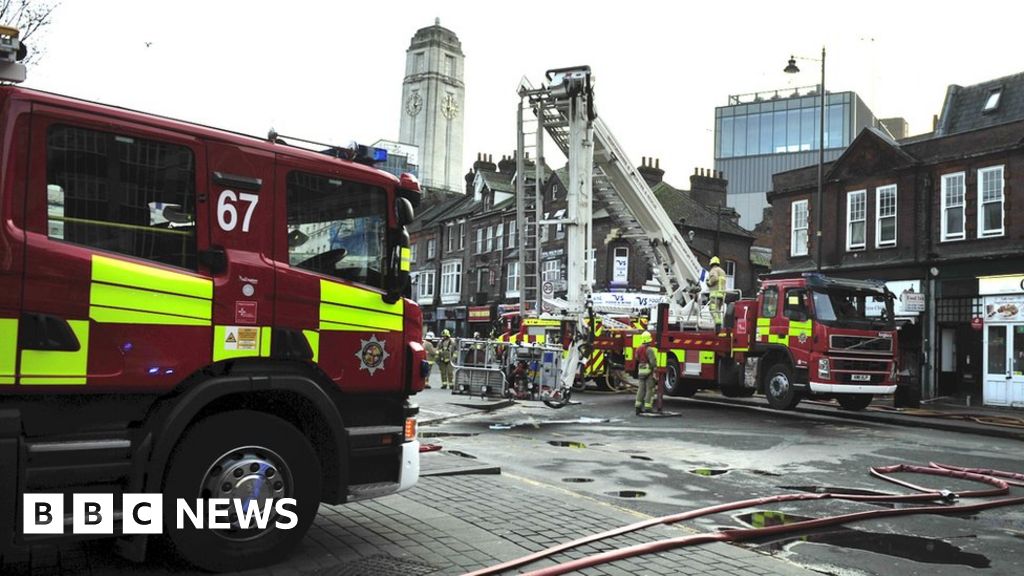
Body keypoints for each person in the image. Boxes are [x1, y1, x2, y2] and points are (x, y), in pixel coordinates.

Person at [634, 332, 659, 415]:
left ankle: (638, 407)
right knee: (650, 389)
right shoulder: (649, 350)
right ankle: (648, 407)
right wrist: (655, 369)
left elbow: (637, 358)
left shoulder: (638, 349)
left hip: (640, 370)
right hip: (648, 371)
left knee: (641, 389)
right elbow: (652, 362)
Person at [707, 256, 727, 332]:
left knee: (712, 308)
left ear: (711, 264)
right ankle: (719, 324)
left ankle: (718, 324)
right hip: (722, 294)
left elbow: (714, 278)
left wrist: (708, 282)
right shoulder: (722, 271)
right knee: (718, 310)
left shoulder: (713, 270)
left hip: (715, 294)